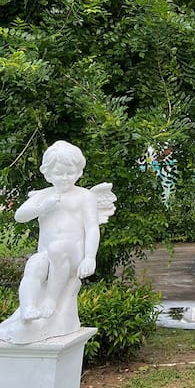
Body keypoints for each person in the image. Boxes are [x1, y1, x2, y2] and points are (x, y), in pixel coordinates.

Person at [0, 141, 115, 343]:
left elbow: (91, 228)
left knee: (58, 248)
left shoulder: (84, 196)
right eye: (59, 173)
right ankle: (28, 307)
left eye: (69, 173)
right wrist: (42, 207)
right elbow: (20, 216)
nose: (64, 178)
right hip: (47, 255)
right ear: (47, 173)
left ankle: (51, 298)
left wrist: (89, 257)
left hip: (72, 256)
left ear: (79, 172)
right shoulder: (45, 195)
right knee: (34, 264)